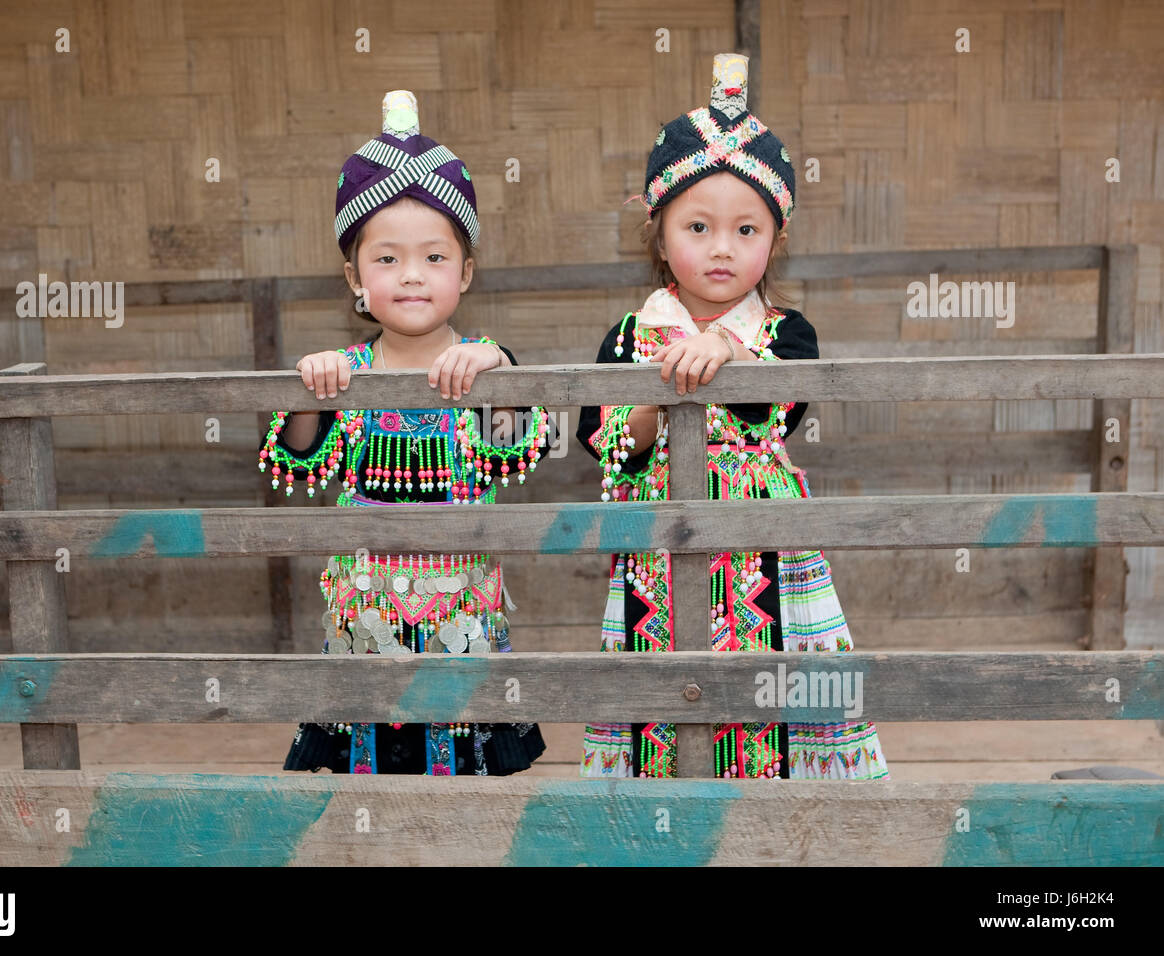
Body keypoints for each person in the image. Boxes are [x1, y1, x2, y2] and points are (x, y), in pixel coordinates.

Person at [578, 54, 889, 781]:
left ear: (775, 241)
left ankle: (778, 818)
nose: (722, 247)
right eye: (698, 225)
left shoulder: (786, 331)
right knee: (662, 677)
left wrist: (724, 347)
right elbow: (607, 442)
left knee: (772, 680)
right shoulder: (629, 336)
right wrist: (658, 395)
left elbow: (768, 410)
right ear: (658, 235)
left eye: (746, 229)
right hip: (658, 540)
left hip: (764, 545)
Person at [259, 90, 550, 775]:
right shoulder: (346, 372)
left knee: (462, 770)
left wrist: (499, 366)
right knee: (372, 772)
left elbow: (509, 443)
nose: (411, 275)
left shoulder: (483, 365)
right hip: (365, 611)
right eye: (386, 259)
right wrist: (312, 387)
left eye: (434, 258)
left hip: (462, 611)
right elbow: (298, 455)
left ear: (466, 273)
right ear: (354, 278)